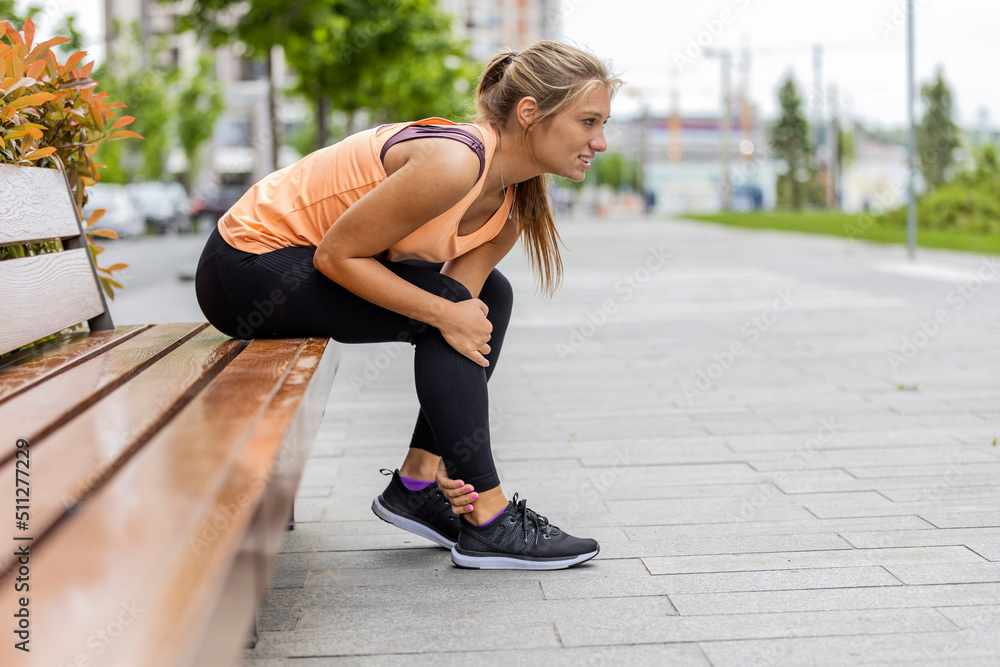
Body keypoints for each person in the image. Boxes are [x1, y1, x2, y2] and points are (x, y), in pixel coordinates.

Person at [195, 41, 622, 570]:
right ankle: (487, 518)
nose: (600, 141)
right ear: (530, 113)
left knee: (489, 297)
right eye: (588, 122)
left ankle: (419, 483)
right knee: (448, 308)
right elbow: (337, 256)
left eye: (603, 124)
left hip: (302, 264)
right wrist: (444, 313)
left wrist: (449, 315)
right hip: (244, 266)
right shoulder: (453, 161)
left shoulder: (509, 214)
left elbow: (460, 316)